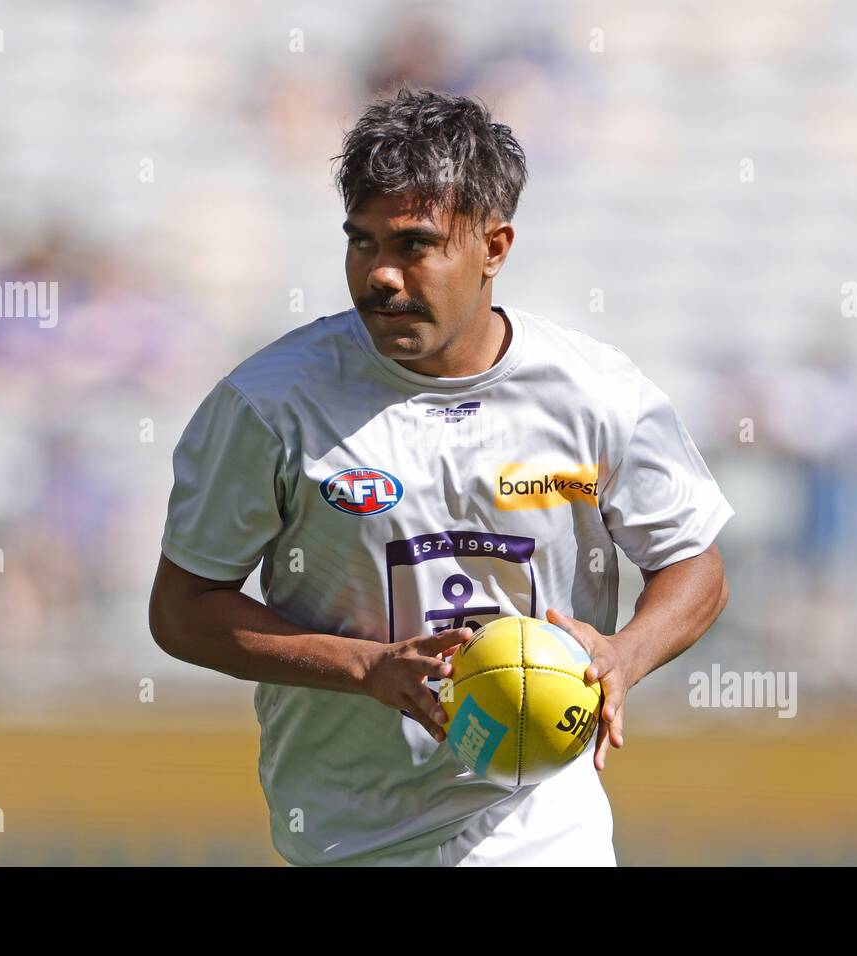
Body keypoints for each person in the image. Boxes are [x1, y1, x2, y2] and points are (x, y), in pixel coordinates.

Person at [148, 86, 733, 866]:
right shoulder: (269, 405)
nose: (380, 275)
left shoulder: (597, 395)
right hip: (347, 834)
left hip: (541, 824)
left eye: (414, 245)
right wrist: (365, 668)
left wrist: (625, 654)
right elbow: (182, 609)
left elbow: (696, 564)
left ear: (494, 247)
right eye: (362, 243)